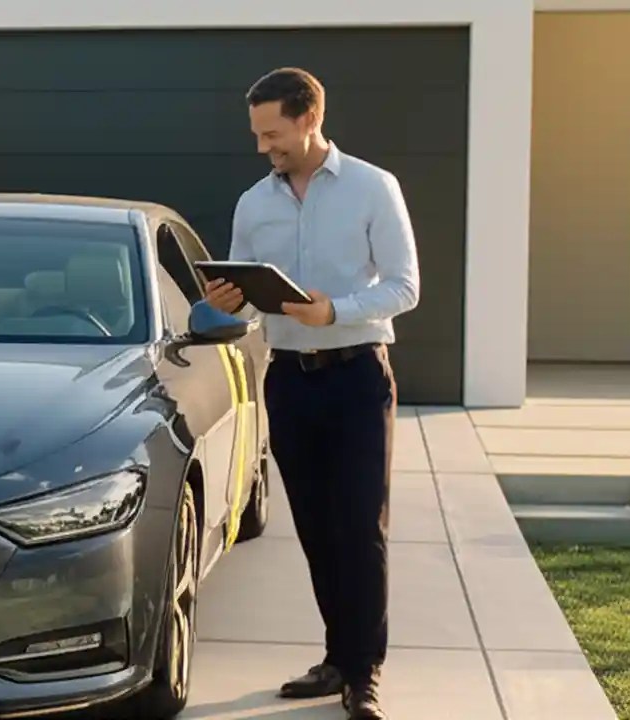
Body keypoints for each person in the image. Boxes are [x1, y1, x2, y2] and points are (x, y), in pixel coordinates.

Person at [204, 68, 419, 720]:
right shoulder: (253, 202)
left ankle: (364, 673)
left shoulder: (372, 188)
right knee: (319, 533)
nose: (263, 145)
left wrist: (338, 311)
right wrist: (223, 305)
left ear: (308, 118)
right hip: (289, 385)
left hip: (357, 378)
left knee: (361, 530)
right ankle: (336, 659)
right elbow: (242, 304)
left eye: (272, 132)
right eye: (257, 133)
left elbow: (406, 287)